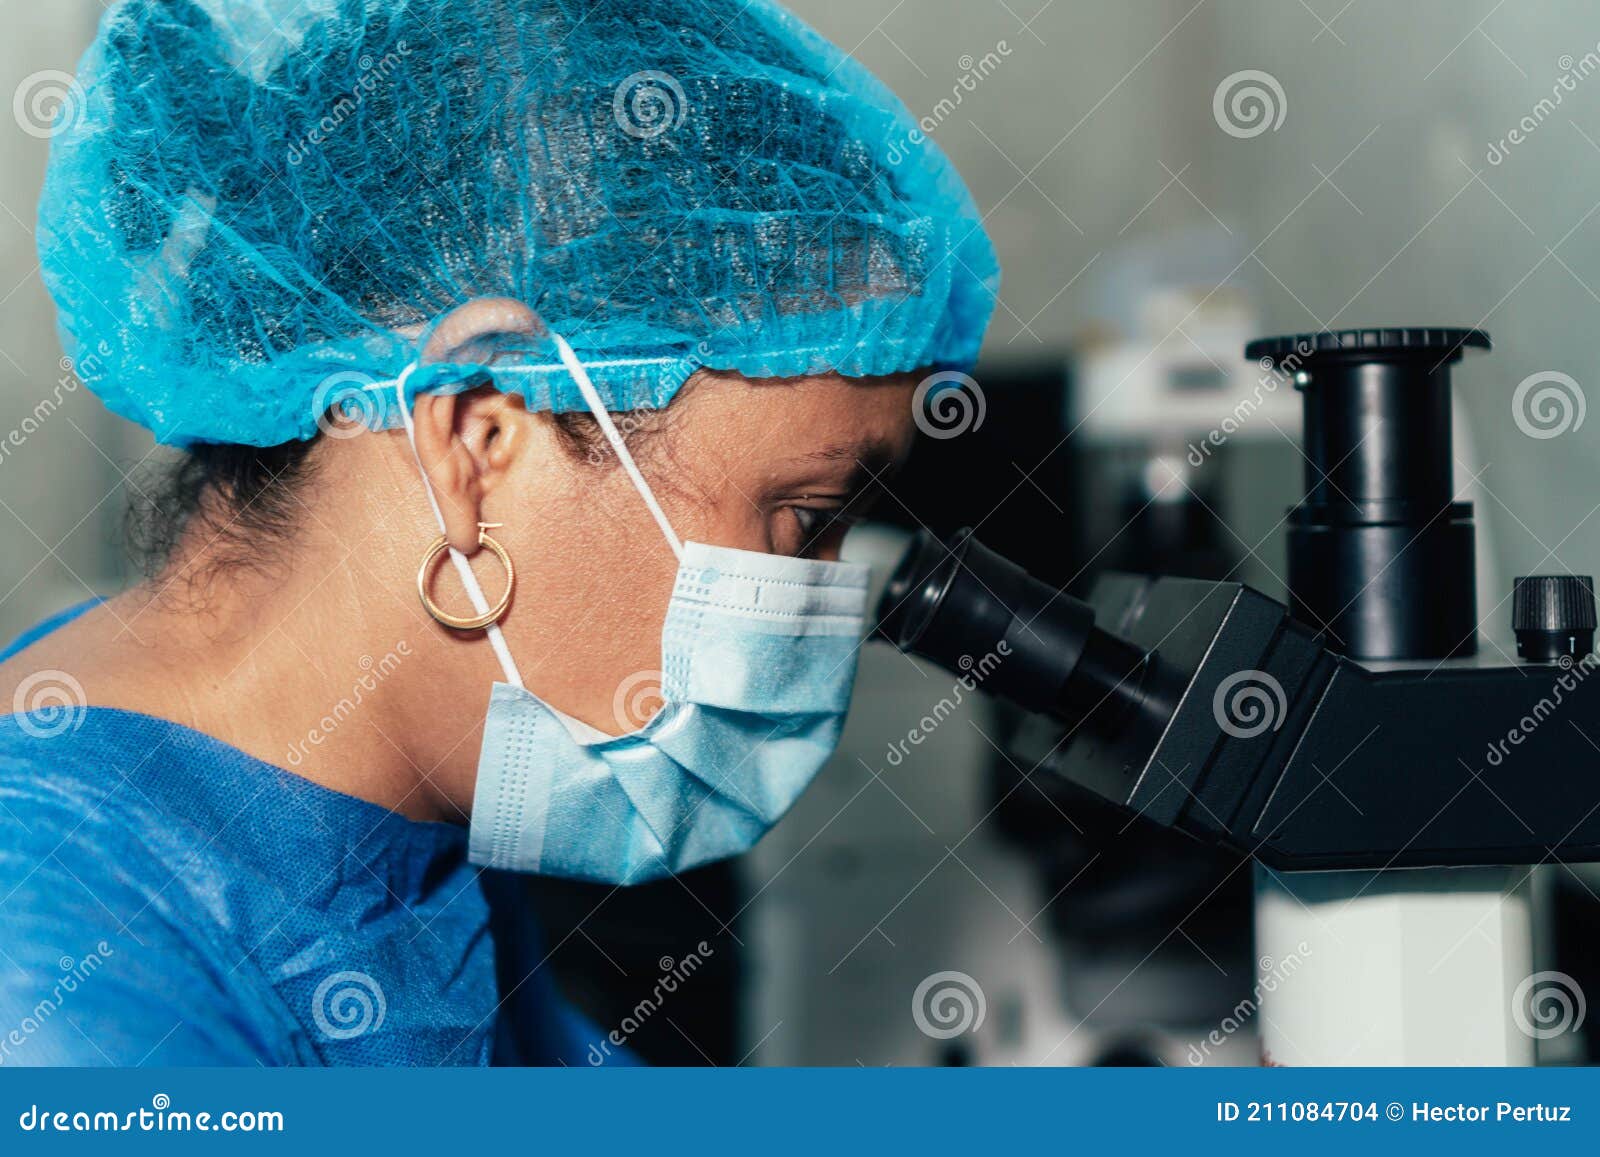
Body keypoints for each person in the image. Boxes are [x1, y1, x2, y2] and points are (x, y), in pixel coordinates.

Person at [0, 0, 997, 1065]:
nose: (826, 608)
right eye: (805, 519)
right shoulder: (61, 986)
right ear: (476, 439)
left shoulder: (401, 812)